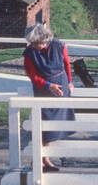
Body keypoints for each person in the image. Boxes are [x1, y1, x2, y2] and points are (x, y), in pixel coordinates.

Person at [22, 24, 75, 172]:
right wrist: (48, 85)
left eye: (34, 43)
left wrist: (69, 82)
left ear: (43, 40)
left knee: (54, 126)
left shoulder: (59, 46)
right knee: (44, 125)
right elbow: (32, 76)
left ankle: (45, 159)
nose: (32, 45)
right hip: (43, 89)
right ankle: (41, 159)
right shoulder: (29, 53)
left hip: (61, 87)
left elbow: (66, 65)